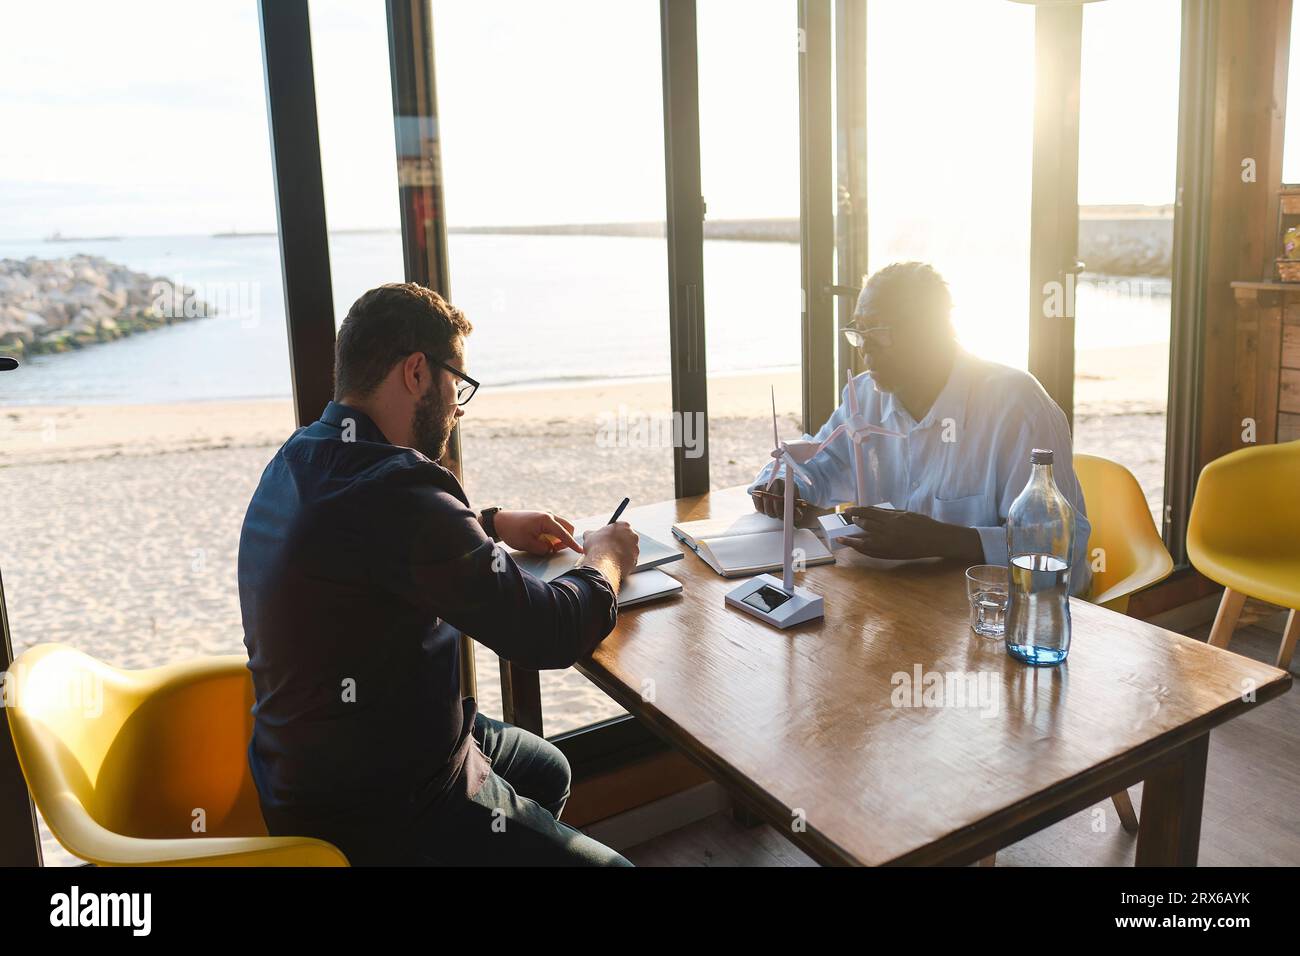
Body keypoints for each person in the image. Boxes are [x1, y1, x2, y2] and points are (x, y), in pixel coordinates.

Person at [239, 282, 639, 866]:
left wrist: (492, 522)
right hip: (391, 808)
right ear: (417, 372)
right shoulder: (398, 486)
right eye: (458, 383)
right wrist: (605, 558)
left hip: (309, 777)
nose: (456, 405)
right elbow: (547, 633)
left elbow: (375, 547)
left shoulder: (299, 458)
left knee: (546, 767)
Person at [750, 261, 1091, 595]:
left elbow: (1057, 542)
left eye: (879, 332)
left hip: (1023, 613)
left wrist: (944, 539)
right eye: (859, 331)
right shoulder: (866, 397)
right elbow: (816, 466)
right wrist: (781, 484)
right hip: (913, 598)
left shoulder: (1016, 406)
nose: (865, 347)